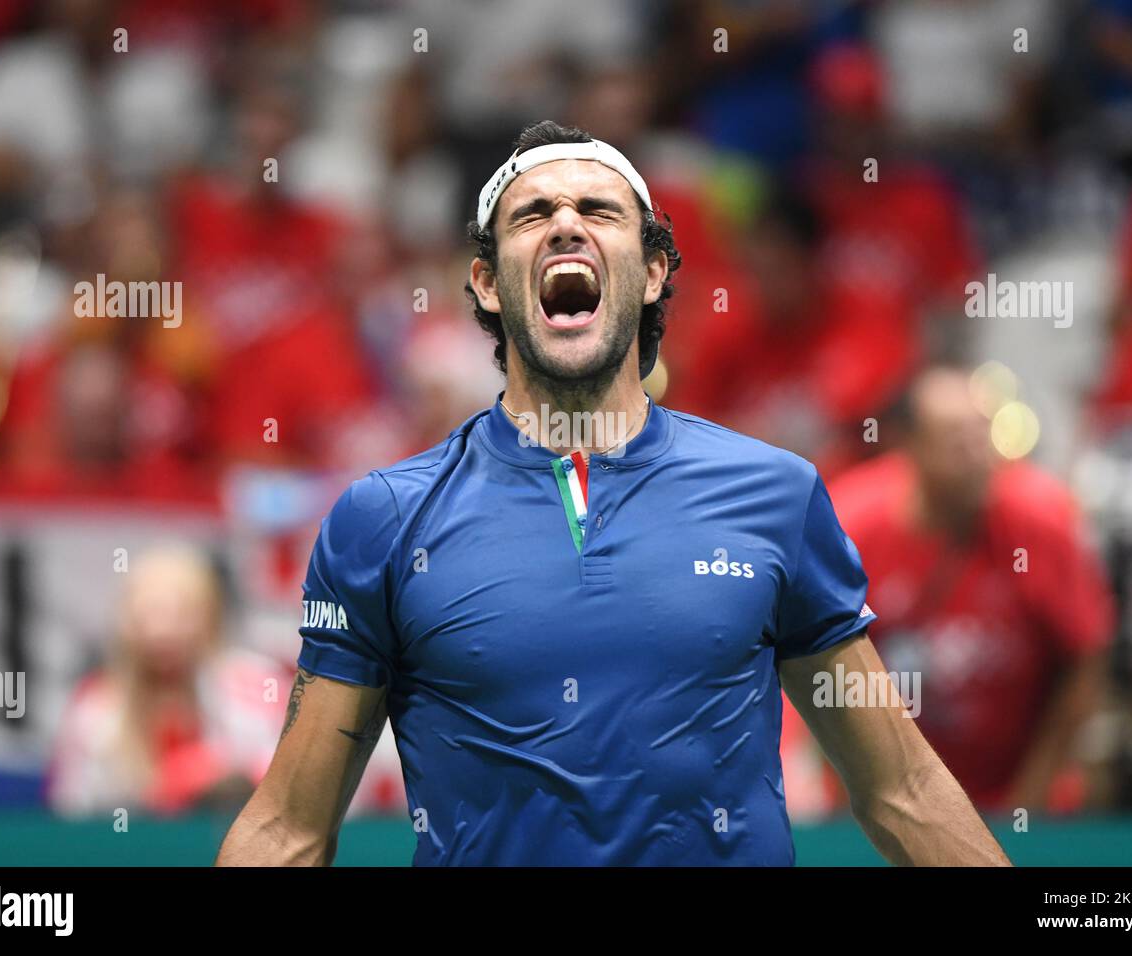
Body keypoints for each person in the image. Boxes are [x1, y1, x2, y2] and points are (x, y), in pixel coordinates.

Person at [216, 121, 1009, 866]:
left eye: (598, 209)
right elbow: (291, 826)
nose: (566, 223)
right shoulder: (381, 520)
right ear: (488, 284)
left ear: (654, 271)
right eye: (532, 214)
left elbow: (901, 789)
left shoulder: (777, 495)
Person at [828, 367, 1115, 814]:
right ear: (909, 444)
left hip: (1018, 801)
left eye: (984, 435)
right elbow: (814, 662)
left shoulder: (1043, 519)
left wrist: (1029, 802)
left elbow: (1085, 661)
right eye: (956, 441)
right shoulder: (851, 524)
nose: (979, 456)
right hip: (884, 802)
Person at [49, 545, 288, 816]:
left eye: (180, 614)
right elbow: (72, 808)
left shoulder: (258, 684)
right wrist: (161, 791)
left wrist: (215, 771)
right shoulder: (96, 708)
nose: (162, 630)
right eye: (147, 615)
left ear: (209, 617)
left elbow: (298, 777)